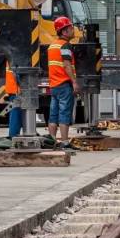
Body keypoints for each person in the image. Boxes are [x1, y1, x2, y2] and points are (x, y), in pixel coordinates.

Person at [47, 16, 80, 150]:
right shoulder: (65, 46)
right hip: (64, 84)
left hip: (54, 85)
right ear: (64, 31)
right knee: (64, 113)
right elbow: (66, 65)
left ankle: (52, 142)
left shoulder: (52, 46)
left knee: (53, 115)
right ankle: (65, 142)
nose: (73, 30)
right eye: (70, 28)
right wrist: (74, 82)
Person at [4, 61, 23, 139]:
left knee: (16, 113)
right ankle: (13, 136)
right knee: (16, 114)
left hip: (13, 88)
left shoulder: (11, 55)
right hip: (16, 89)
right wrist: (21, 86)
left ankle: (14, 135)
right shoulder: (17, 56)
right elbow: (16, 74)